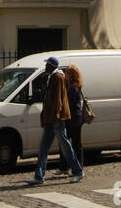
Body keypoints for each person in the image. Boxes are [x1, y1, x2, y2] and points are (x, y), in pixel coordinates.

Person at [29, 56, 82, 185]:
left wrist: (55, 115)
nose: (45, 66)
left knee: (65, 146)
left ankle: (77, 171)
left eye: (47, 65)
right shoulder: (53, 77)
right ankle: (39, 176)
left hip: (56, 118)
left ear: (52, 66)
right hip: (50, 118)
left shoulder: (57, 77)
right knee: (44, 148)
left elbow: (58, 99)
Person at [61, 65, 84, 174]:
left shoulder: (74, 88)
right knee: (67, 143)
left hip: (73, 120)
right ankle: (65, 166)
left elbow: (71, 103)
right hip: (73, 119)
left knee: (75, 144)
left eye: (67, 73)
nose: (65, 75)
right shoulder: (71, 86)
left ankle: (77, 167)